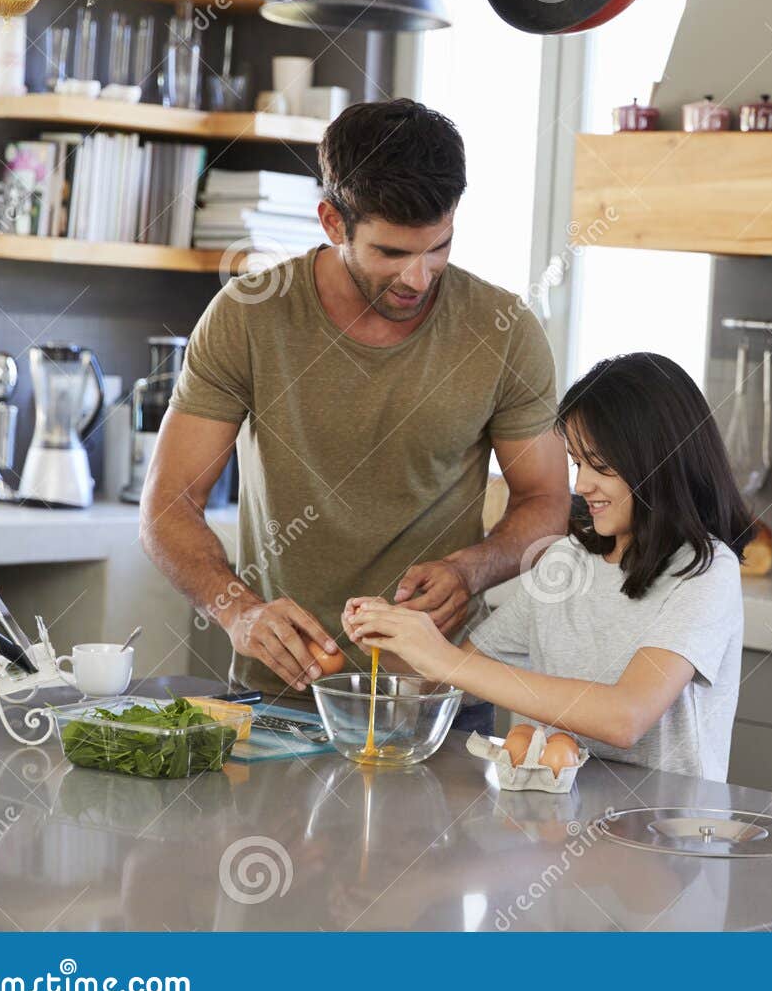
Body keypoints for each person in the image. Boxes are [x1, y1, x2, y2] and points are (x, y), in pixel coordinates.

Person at [141, 99, 571, 734]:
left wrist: (469, 568)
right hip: (283, 703)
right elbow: (168, 506)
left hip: (443, 704)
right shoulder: (249, 316)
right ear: (331, 222)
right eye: (392, 252)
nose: (419, 278)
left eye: (439, 248)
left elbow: (545, 500)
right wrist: (238, 612)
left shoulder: (503, 330)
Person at [345, 353, 752, 781]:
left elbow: (626, 717)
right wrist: (390, 640)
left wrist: (444, 659)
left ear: (660, 462)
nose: (581, 485)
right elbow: (448, 685)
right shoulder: (564, 562)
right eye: (578, 463)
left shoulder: (705, 571)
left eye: (601, 466)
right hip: (557, 828)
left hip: (662, 835)